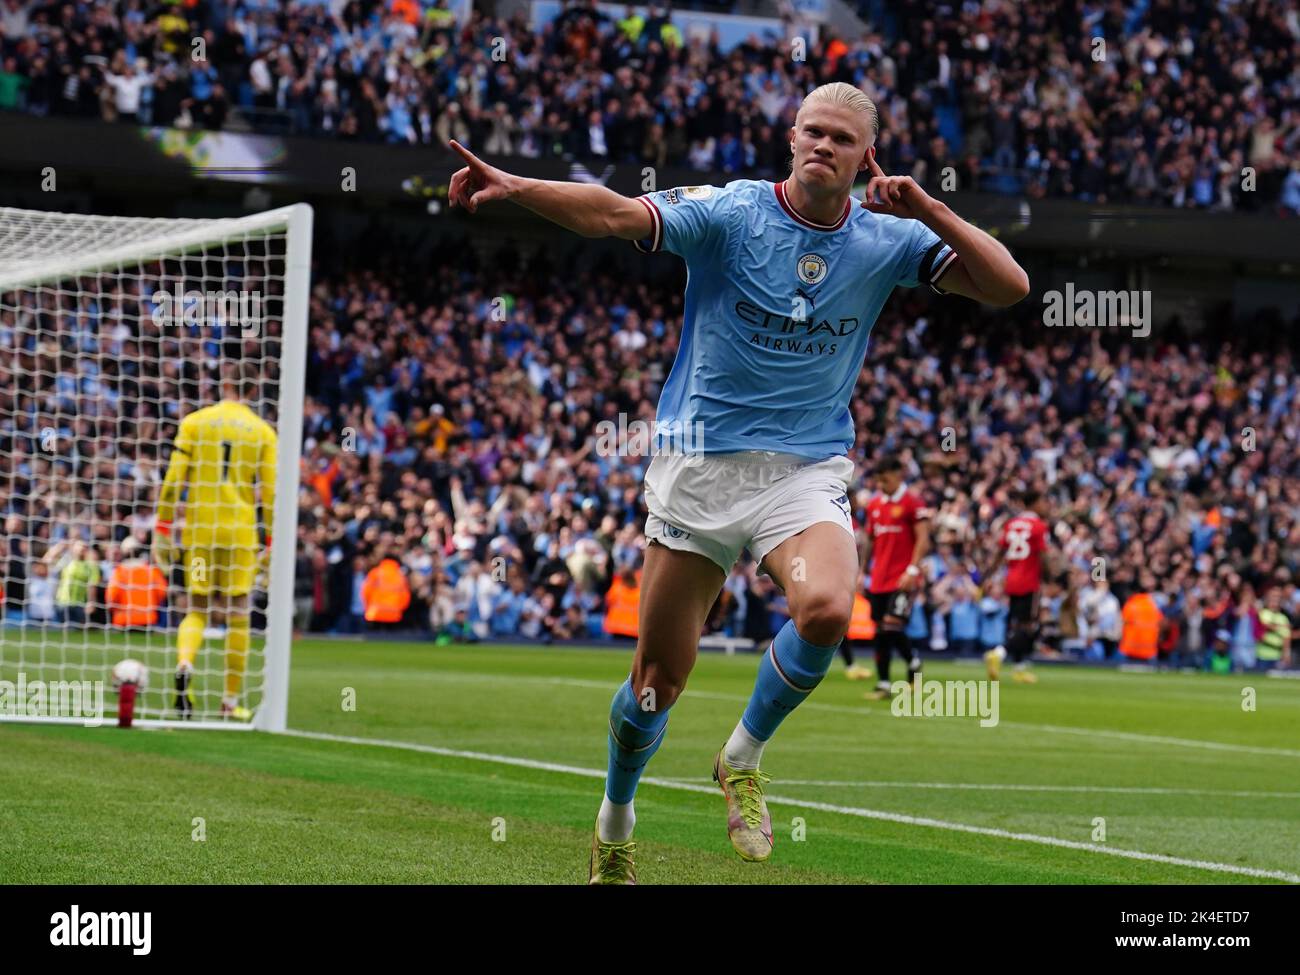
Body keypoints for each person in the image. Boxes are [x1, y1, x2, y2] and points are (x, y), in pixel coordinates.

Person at [448, 80, 1029, 884]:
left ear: (868, 155)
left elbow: (1010, 287)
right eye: (812, 132)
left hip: (802, 469)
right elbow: (617, 214)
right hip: (700, 470)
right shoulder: (731, 212)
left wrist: (926, 207)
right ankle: (616, 818)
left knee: (827, 607)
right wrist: (516, 186)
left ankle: (742, 757)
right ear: (791, 137)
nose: (823, 146)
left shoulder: (888, 239)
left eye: (841, 138)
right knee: (656, 685)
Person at [153, 364, 277, 721]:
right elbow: (268, 493)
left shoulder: (194, 422)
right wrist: (270, 539)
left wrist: (163, 526)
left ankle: (185, 663)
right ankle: (229, 702)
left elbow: (175, 477)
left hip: (201, 531)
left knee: (196, 609)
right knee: (238, 615)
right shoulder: (263, 433)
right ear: (254, 390)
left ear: (224, 383)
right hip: (240, 535)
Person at [862, 454, 931, 700]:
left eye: (886, 480)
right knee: (881, 629)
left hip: (903, 577)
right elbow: (870, 539)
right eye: (879, 481)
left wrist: (912, 570)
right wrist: (862, 571)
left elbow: (923, 538)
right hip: (879, 578)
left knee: (892, 624)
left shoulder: (913, 503)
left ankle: (909, 667)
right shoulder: (874, 505)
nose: (882, 485)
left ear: (899, 475)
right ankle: (891, 678)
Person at [983, 490, 1051, 684]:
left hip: (1011, 579)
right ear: (1035, 503)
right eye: (1043, 502)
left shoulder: (1011, 524)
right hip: (1029, 580)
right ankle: (999, 653)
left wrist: (989, 575)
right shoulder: (1038, 526)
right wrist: (1051, 577)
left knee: (1018, 626)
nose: (1046, 506)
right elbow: (1043, 555)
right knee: (1029, 627)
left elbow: (999, 551)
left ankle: (1019, 668)